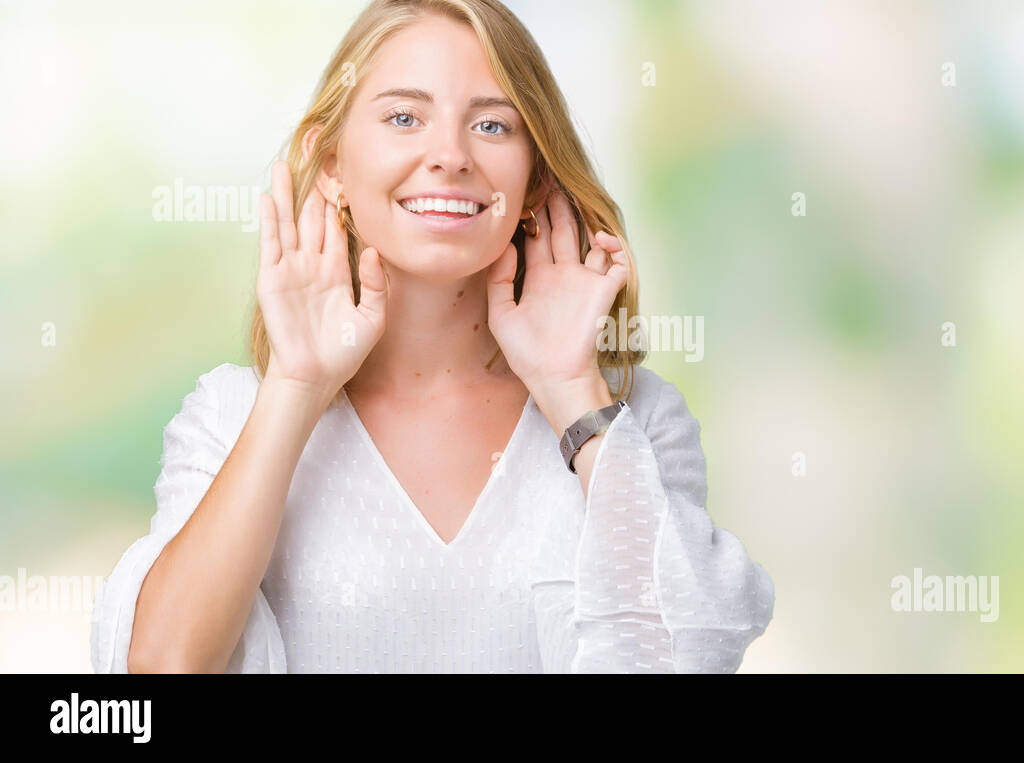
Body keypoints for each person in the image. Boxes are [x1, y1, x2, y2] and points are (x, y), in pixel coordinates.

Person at [91, 0, 774, 673]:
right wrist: (297, 386)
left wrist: (572, 393)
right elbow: (160, 670)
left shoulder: (636, 420)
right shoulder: (230, 415)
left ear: (534, 178)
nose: (448, 155)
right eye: (403, 117)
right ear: (330, 165)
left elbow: (694, 654)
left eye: (492, 125)